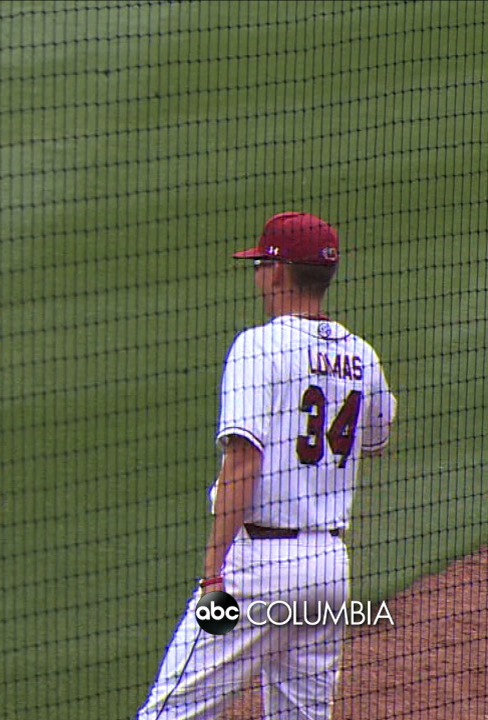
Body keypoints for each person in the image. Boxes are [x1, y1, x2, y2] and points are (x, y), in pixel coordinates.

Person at [136, 212, 396, 719]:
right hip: (327, 569)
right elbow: (378, 439)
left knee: (168, 714)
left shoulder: (259, 346)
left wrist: (213, 576)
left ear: (276, 272)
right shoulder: (363, 356)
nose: (256, 275)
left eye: (259, 264)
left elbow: (241, 462)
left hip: (260, 570)